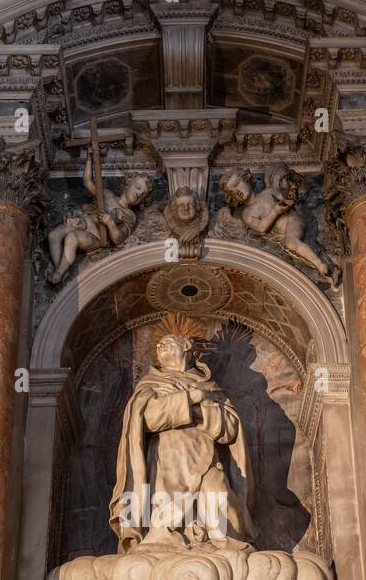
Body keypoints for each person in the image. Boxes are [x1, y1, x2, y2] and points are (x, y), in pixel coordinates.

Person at [110, 329, 256, 550]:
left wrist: (199, 406)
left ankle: (223, 544)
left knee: (218, 494)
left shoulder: (209, 386)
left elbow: (230, 429)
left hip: (206, 455)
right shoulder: (152, 384)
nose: (160, 347)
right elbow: (146, 418)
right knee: (167, 510)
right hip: (166, 458)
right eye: (158, 345)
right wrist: (189, 398)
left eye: (167, 342)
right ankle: (167, 544)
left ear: (186, 346)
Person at [47, 154, 153, 285]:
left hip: (96, 235)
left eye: (142, 195)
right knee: (53, 235)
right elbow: (88, 182)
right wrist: (89, 160)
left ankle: (59, 272)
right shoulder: (107, 194)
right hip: (83, 222)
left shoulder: (130, 216)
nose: (138, 194)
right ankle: (62, 268)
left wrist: (110, 224)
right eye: (138, 187)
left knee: (71, 238)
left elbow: (118, 238)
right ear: (128, 182)